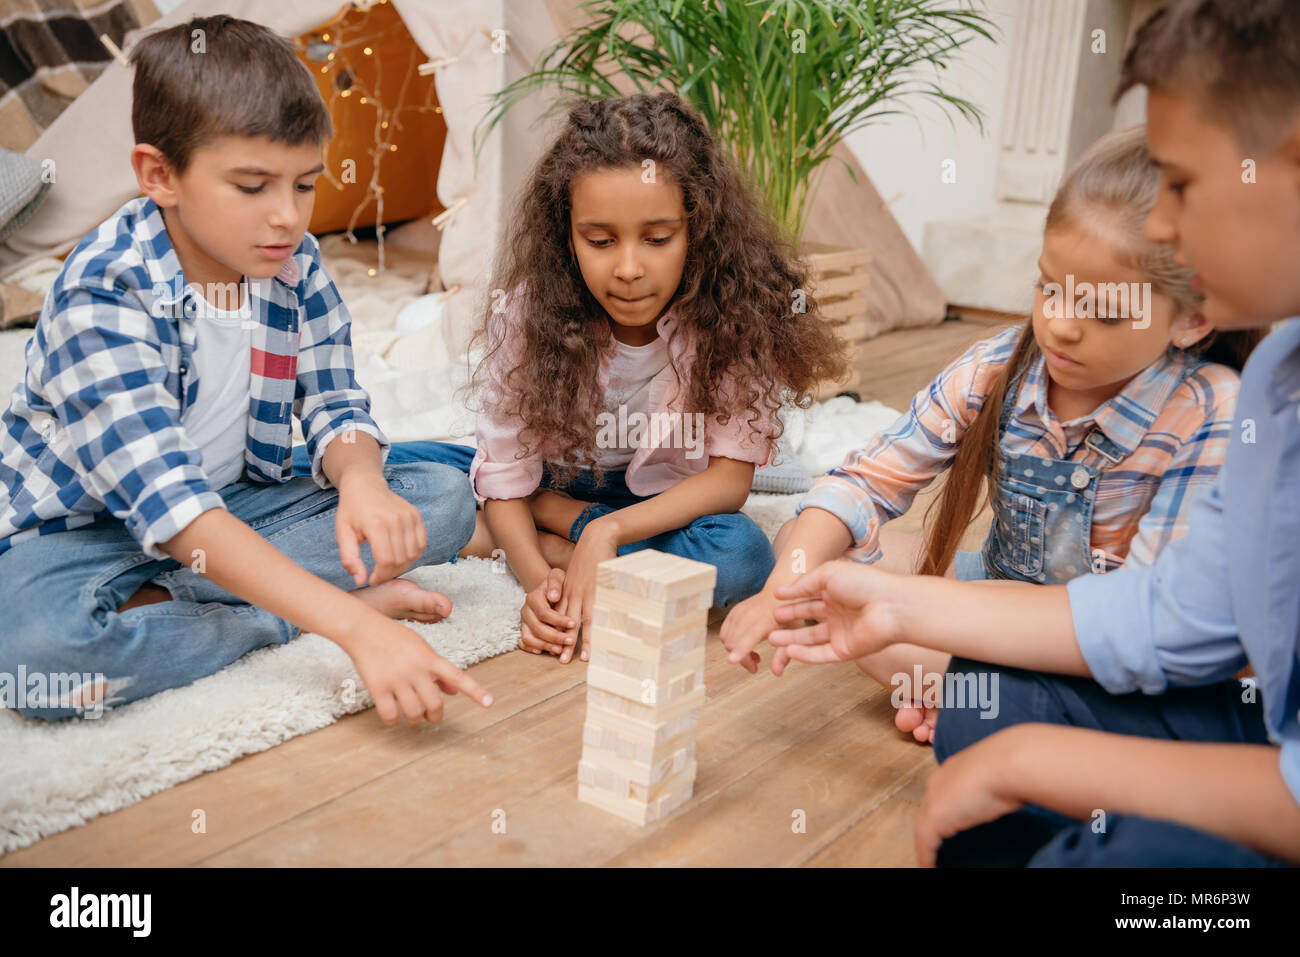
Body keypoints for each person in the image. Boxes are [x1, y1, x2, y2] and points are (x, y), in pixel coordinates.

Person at [762, 0, 1300, 867]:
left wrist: (1042, 748)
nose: (1164, 226)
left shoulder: (1221, 406)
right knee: (959, 685)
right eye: (1049, 288)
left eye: (1184, 185)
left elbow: (1180, 639)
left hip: (1224, 725)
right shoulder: (1281, 379)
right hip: (1121, 645)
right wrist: (878, 594)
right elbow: (1181, 615)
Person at [0, 16, 491, 725]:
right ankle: (279, 614)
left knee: (439, 497)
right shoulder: (103, 294)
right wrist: (353, 627)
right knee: (42, 655)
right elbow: (170, 505)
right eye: (253, 185)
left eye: (304, 184)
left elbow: (335, 401)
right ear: (159, 175)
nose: (287, 218)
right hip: (82, 538)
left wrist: (360, 482)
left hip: (235, 502)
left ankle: (198, 599)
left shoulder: (293, 265)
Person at [722, 125, 1258, 744]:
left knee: (881, 615)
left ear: (1192, 318)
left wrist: (935, 626)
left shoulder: (1212, 410)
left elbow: (1144, 623)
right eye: (1049, 288)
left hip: (1109, 653)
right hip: (995, 592)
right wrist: (781, 585)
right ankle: (997, 704)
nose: (1060, 325)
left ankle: (997, 704)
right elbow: (865, 480)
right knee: (815, 555)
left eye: (1104, 311)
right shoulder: (999, 363)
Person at [387, 92, 847, 663]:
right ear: (567, 235)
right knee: (396, 471)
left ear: (698, 229)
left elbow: (728, 484)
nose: (628, 269)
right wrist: (539, 584)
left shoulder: (731, 315)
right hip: (542, 478)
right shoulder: (531, 312)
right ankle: (533, 532)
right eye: (600, 242)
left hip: (650, 495)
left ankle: (548, 527)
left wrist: (600, 532)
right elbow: (506, 473)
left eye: (657, 239)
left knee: (742, 559)